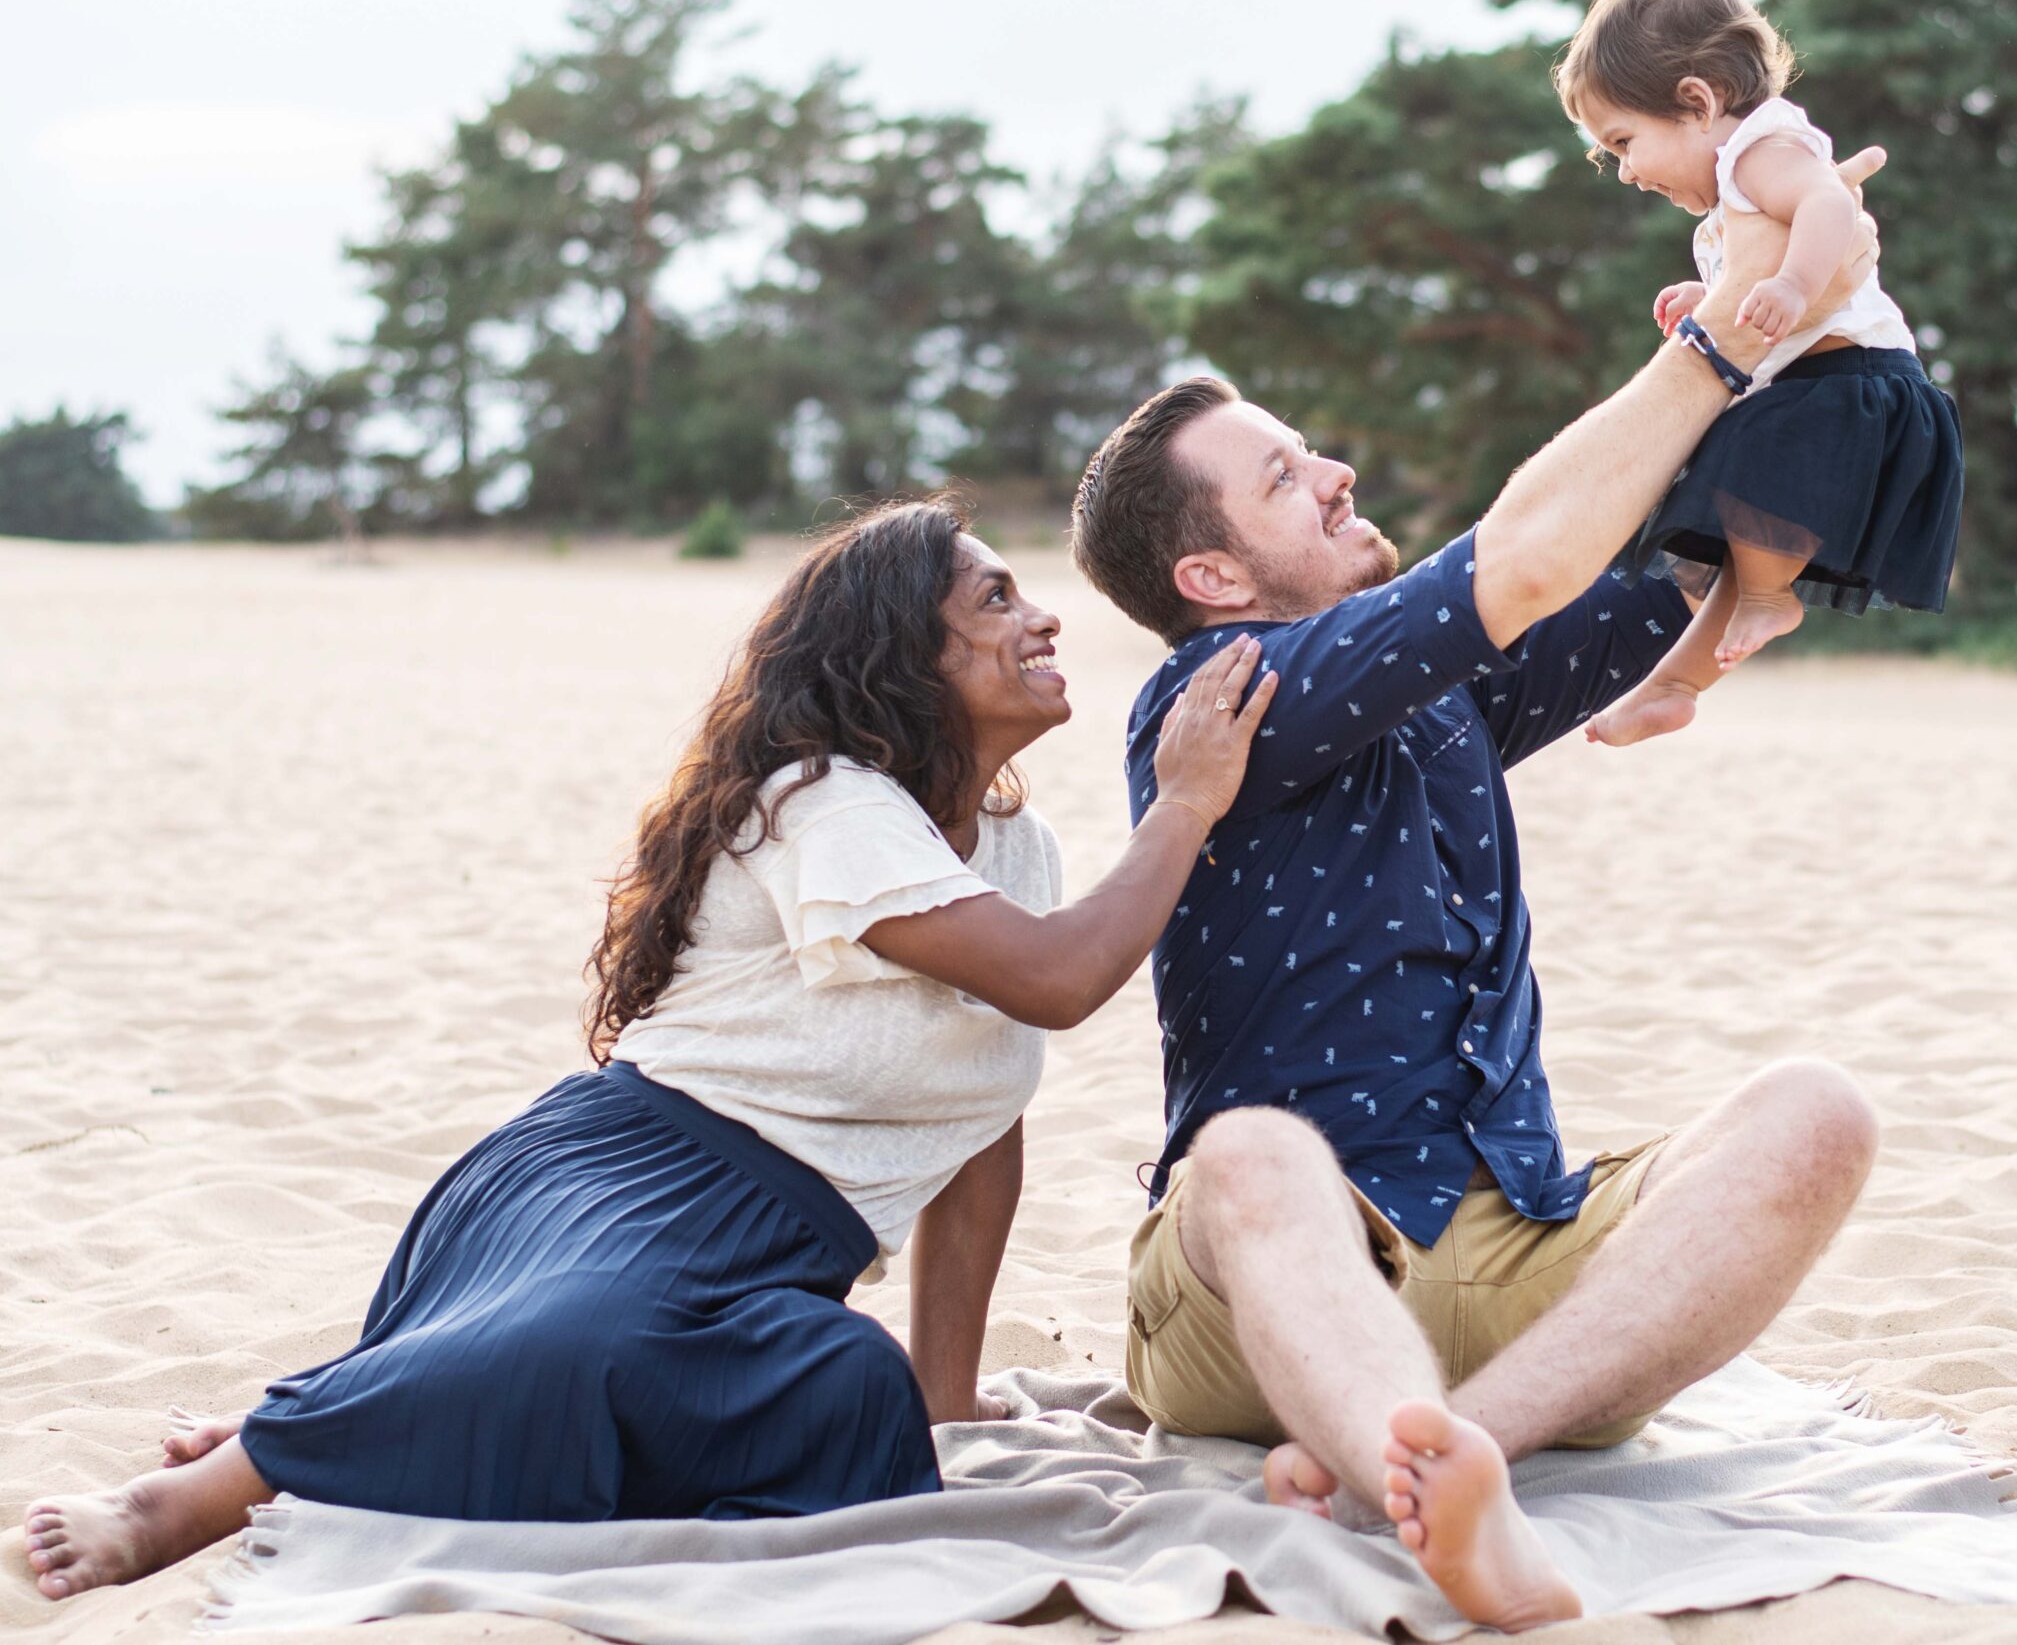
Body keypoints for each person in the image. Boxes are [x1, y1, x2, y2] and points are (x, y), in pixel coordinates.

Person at [21, 499, 1276, 1602]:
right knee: (583, 1347)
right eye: (994, 596)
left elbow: (977, 1117)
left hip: (780, 1255)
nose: (1040, 617)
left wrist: (944, 1392)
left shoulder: (1020, 849)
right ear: (903, 653)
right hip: (630, 1182)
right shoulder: (826, 803)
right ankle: (186, 1499)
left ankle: (393, 1407)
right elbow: (1060, 985)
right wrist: (1184, 802)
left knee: (854, 1396)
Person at [1065, 154, 1890, 1630]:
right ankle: (1426, 1450)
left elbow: (1684, 558)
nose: (1335, 473)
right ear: (1213, 576)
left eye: (1310, 448)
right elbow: (1520, 556)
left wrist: (1805, 304)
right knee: (1250, 1151)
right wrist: (1702, 348)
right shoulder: (1215, 694)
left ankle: (1463, 1455)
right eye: (1283, 477)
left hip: (1508, 1247)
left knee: (1817, 1112)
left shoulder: (1444, 691)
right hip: (1271, 1283)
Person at [1563, 0, 1965, 745]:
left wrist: (1789, 283)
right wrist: (1706, 296)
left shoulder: (1759, 149)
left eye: (1623, 141)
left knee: (1746, 470)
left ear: (1697, 101)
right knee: (1741, 542)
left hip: (1856, 383)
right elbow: (1753, 268)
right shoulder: (1730, 193)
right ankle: (1678, 682)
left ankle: (1764, 603)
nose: (1626, 171)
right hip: (1824, 391)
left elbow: (1828, 207)